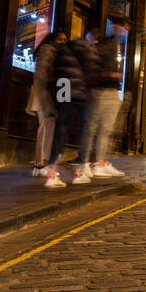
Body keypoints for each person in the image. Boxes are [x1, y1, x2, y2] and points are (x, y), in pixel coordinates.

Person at [44, 30, 91, 188]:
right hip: (80, 95)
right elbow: (91, 75)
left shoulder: (62, 52)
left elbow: (55, 74)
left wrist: (58, 95)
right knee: (82, 132)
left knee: (61, 131)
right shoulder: (86, 52)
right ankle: (78, 173)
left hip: (63, 92)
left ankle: (51, 174)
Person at [78, 25, 126, 179]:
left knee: (99, 129)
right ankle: (89, 163)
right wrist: (113, 75)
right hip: (102, 91)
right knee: (96, 129)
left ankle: (96, 163)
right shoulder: (106, 47)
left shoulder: (108, 47)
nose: (124, 32)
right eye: (122, 29)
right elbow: (95, 71)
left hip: (103, 91)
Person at [27, 30, 64, 176]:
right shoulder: (47, 51)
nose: (62, 42)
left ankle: (42, 164)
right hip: (43, 95)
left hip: (47, 95)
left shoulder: (52, 52)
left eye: (64, 40)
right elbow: (43, 74)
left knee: (48, 128)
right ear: (52, 39)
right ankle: (40, 164)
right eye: (60, 39)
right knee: (45, 129)